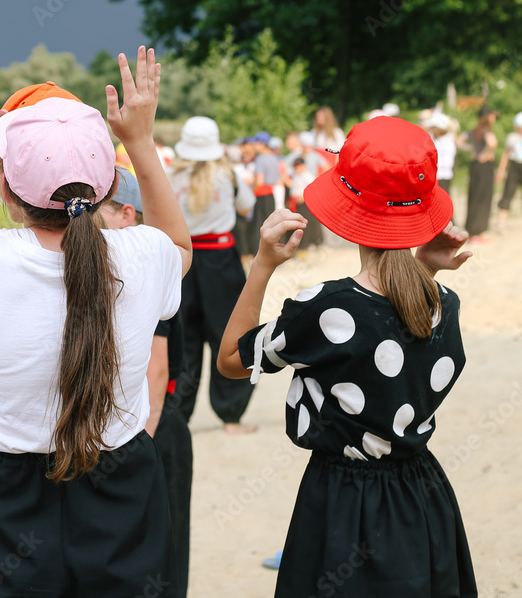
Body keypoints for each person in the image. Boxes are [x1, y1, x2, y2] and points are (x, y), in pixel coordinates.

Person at [0, 48, 192, 597]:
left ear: (8, 193)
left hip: (2, 493)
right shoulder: (144, 255)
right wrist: (142, 141)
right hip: (120, 484)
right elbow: (181, 244)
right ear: (108, 188)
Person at [217, 117, 476, 597]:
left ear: (349, 208)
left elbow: (233, 358)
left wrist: (262, 265)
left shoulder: (326, 308)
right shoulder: (445, 305)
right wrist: (423, 266)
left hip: (343, 502)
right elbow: (397, 327)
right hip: (422, 497)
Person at [98, 167, 190, 596]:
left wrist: (143, 441)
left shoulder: (142, 262)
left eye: (96, 212)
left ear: (126, 214)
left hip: (149, 425)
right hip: (135, 426)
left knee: (156, 553)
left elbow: (157, 366)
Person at [168, 116, 257, 435]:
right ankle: (231, 415)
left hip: (182, 260)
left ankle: (178, 417)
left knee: (184, 339)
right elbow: (247, 207)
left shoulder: (170, 176)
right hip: (221, 258)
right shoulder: (229, 175)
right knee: (229, 336)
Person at [458, 104, 499, 240]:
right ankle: (477, 233)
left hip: (475, 166)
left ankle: (472, 231)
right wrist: (485, 153)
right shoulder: (486, 131)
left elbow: (459, 141)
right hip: (485, 166)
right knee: (483, 198)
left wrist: (471, 149)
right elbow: (492, 143)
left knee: (474, 196)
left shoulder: (473, 131)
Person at [496, 111, 522, 232]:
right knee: (508, 193)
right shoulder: (512, 138)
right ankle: (501, 223)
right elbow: (505, 155)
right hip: (514, 167)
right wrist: (501, 170)